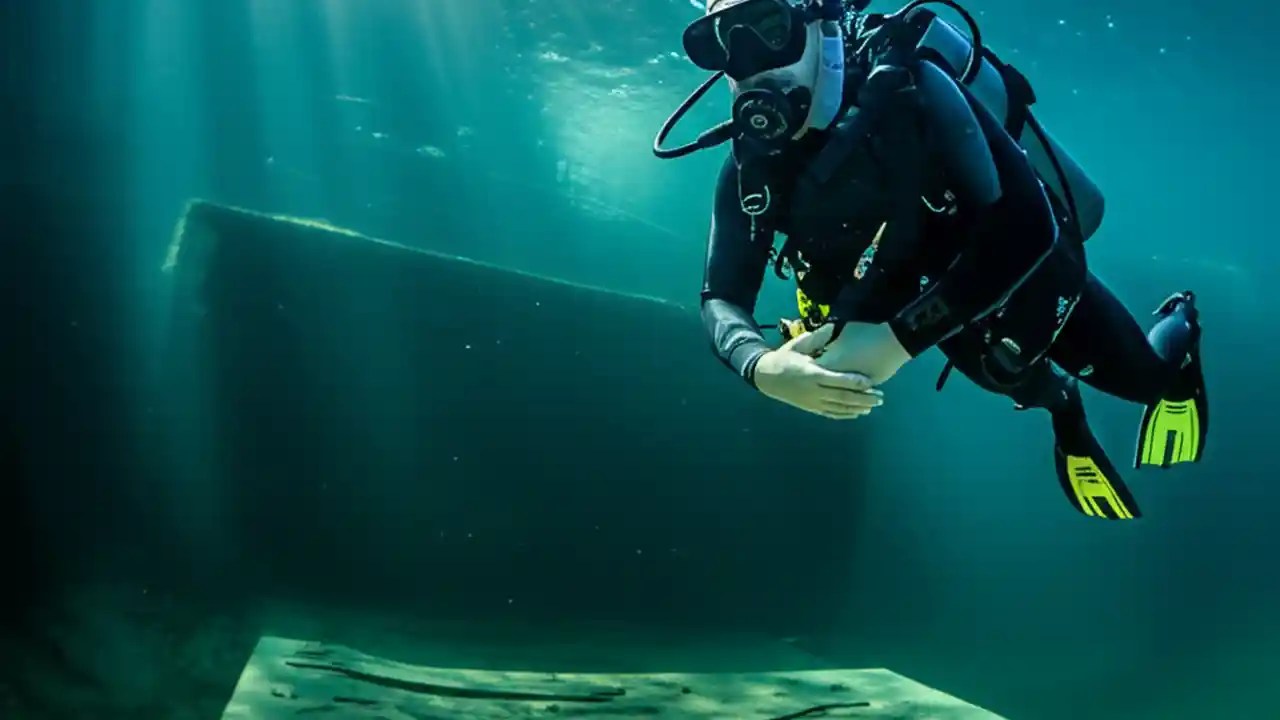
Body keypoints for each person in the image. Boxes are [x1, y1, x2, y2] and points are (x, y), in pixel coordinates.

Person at [652, 0, 1209, 520]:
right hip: (930, 313)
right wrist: (761, 367)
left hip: (1028, 276)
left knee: (1145, 381)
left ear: (818, 25)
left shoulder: (911, 91)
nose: (752, 65)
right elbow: (722, 295)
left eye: (770, 30)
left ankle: (1181, 329)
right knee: (1009, 375)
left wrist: (896, 342)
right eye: (728, 43)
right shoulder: (754, 167)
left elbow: (1027, 228)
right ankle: (1065, 410)